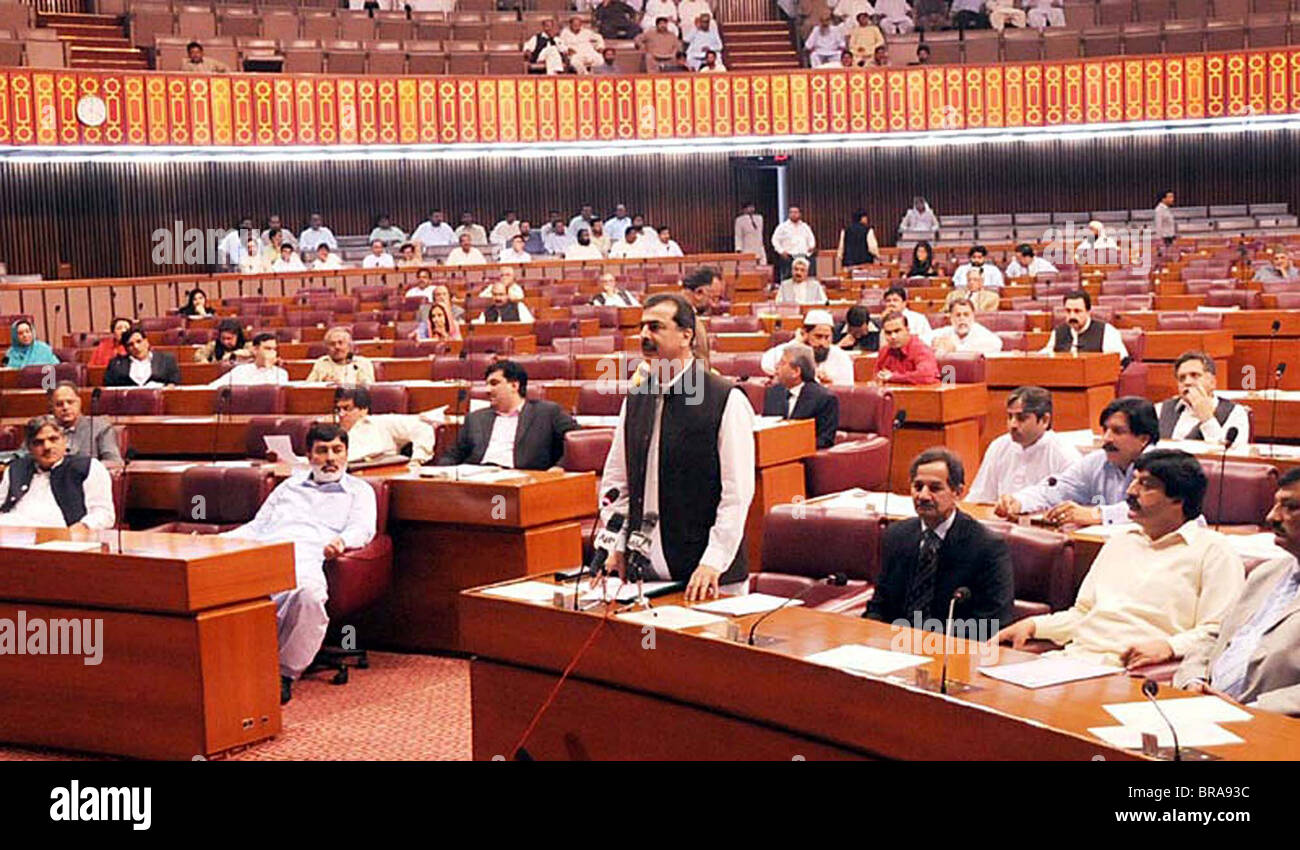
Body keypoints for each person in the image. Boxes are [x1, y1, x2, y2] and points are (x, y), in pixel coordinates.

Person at [996, 449, 1245, 670]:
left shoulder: (1214, 551)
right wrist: (1035, 626)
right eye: (1134, 480)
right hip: (1076, 660)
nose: (1130, 491)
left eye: (1146, 485)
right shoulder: (1120, 541)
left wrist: (1169, 647)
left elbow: (1217, 632)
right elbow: (1082, 614)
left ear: (1178, 500)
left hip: (1136, 670)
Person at [597, 293, 756, 602]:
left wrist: (714, 559)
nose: (644, 335)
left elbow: (736, 493)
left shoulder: (725, 398)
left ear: (687, 335)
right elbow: (616, 482)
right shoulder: (636, 397)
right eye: (642, 327)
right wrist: (615, 544)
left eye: (655, 327)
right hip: (645, 572)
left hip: (708, 575)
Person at [223, 422, 377, 704]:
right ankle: (232, 667)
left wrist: (341, 543)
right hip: (267, 549)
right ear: (309, 456)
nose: (330, 458)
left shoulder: (360, 491)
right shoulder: (289, 487)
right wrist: (220, 543)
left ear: (346, 454)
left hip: (310, 552)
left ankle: (284, 673)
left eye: (337, 450)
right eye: (322, 451)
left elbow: (363, 529)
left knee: (310, 596)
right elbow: (258, 526)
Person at [1174, 467, 1300, 714]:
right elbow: (1215, 638)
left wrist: (1254, 710)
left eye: (1291, 507)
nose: (1271, 517)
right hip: (1205, 711)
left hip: (1274, 728)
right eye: (1275, 505)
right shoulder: (1265, 574)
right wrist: (1193, 680)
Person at [864, 448, 1015, 631]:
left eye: (935, 488)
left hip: (954, 651)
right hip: (896, 646)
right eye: (918, 487)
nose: (923, 496)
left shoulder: (987, 547)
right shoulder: (896, 536)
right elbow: (879, 605)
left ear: (957, 492)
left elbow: (993, 622)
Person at [995, 395, 1159, 526]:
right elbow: (1055, 490)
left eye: (1117, 431)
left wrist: (1097, 514)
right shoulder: (1097, 461)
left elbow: (1148, 507)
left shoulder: (1160, 466)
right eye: (1105, 430)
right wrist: (1019, 501)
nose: (1107, 438)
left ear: (1143, 439)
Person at [437, 360, 578, 469]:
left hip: (523, 480)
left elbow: (577, 443)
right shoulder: (475, 418)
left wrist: (559, 467)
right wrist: (441, 473)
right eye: (486, 384)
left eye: (494, 383)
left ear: (514, 386)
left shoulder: (547, 413)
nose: (487, 390)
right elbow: (452, 455)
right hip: (478, 480)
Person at [966, 386, 1081, 503]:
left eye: (1021, 418)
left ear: (1045, 420)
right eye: (1010, 417)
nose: (1013, 424)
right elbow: (979, 499)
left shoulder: (1064, 455)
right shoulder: (999, 446)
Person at [0, 415, 115, 530]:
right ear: (29, 448)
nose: (47, 446)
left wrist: (83, 526)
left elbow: (104, 513)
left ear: (65, 440)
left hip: (63, 536)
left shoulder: (89, 467)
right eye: (38, 442)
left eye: (53, 439)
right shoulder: (16, 469)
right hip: (12, 533)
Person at [1155, 351, 1250, 449]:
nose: (1187, 382)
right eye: (1182, 378)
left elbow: (1231, 455)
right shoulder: (1160, 410)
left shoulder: (1235, 413)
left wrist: (1207, 419)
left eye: (1195, 375)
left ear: (1212, 382)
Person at [763, 344, 840, 448]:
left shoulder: (825, 399)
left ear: (796, 372)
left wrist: (790, 446)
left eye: (782, 363)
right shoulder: (773, 393)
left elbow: (824, 440)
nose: (776, 367)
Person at [334, 386, 435, 464]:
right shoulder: (332, 433)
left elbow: (422, 428)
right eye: (338, 409)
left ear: (363, 410)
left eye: (347, 408)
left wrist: (416, 461)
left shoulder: (382, 423)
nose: (341, 414)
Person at [761, 309, 855, 385]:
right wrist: (796, 343)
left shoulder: (840, 357)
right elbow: (767, 364)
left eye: (827, 337)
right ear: (805, 334)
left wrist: (830, 384)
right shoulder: (797, 350)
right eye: (818, 336)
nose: (822, 342)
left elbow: (846, 388)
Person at [1038, 289, 1129, 359]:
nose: (1072, 316)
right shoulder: (1058, 332)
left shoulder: (1106, 331)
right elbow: (1045, 357)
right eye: (1068, 311)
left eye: (1077, 311)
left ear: (1088, 312)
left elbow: (1121, 361)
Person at [48, 381, 121, 464]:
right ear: (51, 408)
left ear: (79, 402)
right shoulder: (44, 429)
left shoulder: (99, 427)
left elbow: (113, 462)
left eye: (70, 402)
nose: (65, 407)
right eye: (59, 404)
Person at [875, 311, 940, 385]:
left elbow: (926, 376)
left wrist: (893, 377)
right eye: (888, 333)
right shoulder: (884, 351)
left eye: (897, 331)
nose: (893, 336)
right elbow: (877, 377)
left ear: (907, 330)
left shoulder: (920, 349)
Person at [104, 326, 181, 387]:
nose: (136, 347)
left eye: (139, 341)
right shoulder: (116, 365)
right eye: (130, 345)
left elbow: (174, 382)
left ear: (146, 342)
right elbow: (109, 388)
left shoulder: (166, 360)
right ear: (126, 349)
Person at [304, 326, 376, 385]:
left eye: (340, 343)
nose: (337, 347)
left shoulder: (363, 363)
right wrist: (324, 385)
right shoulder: (321, 363)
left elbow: (367, 389)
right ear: (327, 348)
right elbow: (308, 387)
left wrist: (341, 385)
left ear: (349, 346)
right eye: (332, 344)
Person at [210, 333, 288, 387]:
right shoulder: (240, 371)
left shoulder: (281, 374)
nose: (272, 353)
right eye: (267, 349)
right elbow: (212, 387)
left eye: (274, 349)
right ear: (255, 350)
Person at [931, 297, 1003, 354]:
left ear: (973, 316)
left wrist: (956, 349)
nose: (962, 319)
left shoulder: (981, 332)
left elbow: (997, 344)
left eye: (966, 315)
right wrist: (934, 343)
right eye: (958, 315)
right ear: (951, 318)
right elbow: (923, 340)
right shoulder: (946, 331)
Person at [771, 205, 816, 281]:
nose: (794, 214)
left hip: (803, 256)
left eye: (796, 212)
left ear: (799, 214)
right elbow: (775, 240)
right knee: (788, 280)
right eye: (791, 212)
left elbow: (811, 238)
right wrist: (781, 251)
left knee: (806, 279)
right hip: (789, 257)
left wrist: (811, 246)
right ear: (789, 214)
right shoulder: (783, 227)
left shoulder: (805, 226)